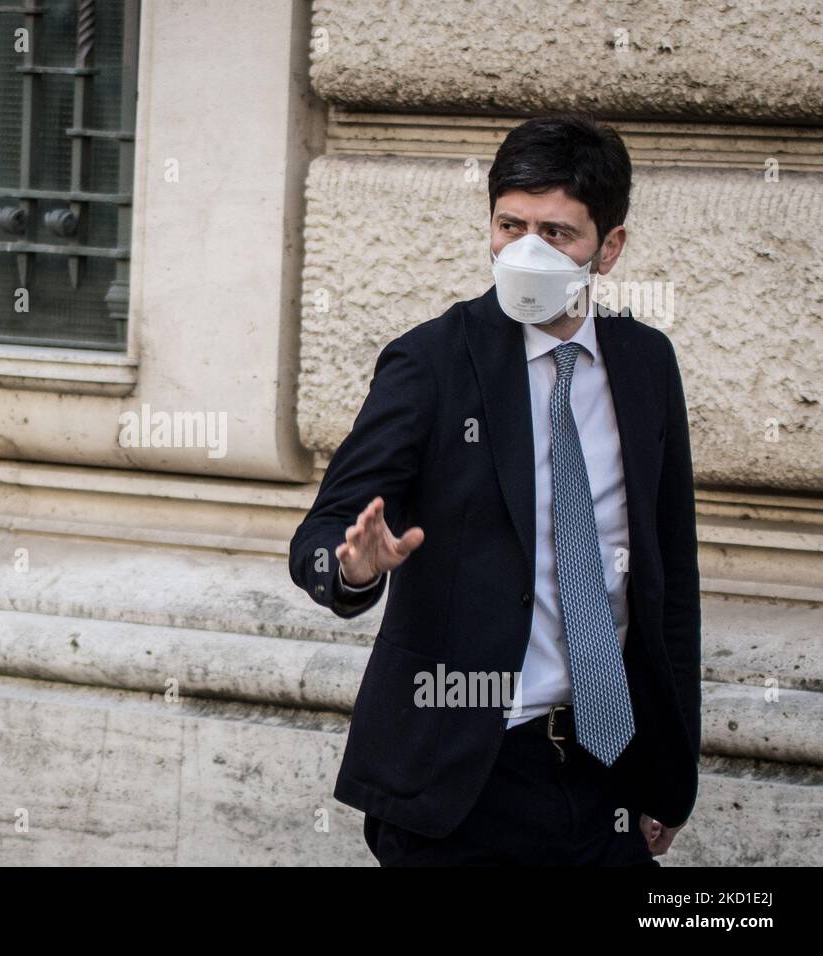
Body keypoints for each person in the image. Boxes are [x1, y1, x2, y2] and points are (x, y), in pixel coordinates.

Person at [289, 114, 700, 865]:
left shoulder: (645, 365)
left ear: (609, 249)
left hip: (604, 768)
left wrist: (671, 778)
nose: (528, 251)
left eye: (558, 232)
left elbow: (671, 583)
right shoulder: (431, 362)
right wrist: (353, 567)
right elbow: (321, 538)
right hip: (464, 780)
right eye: (511, 225)